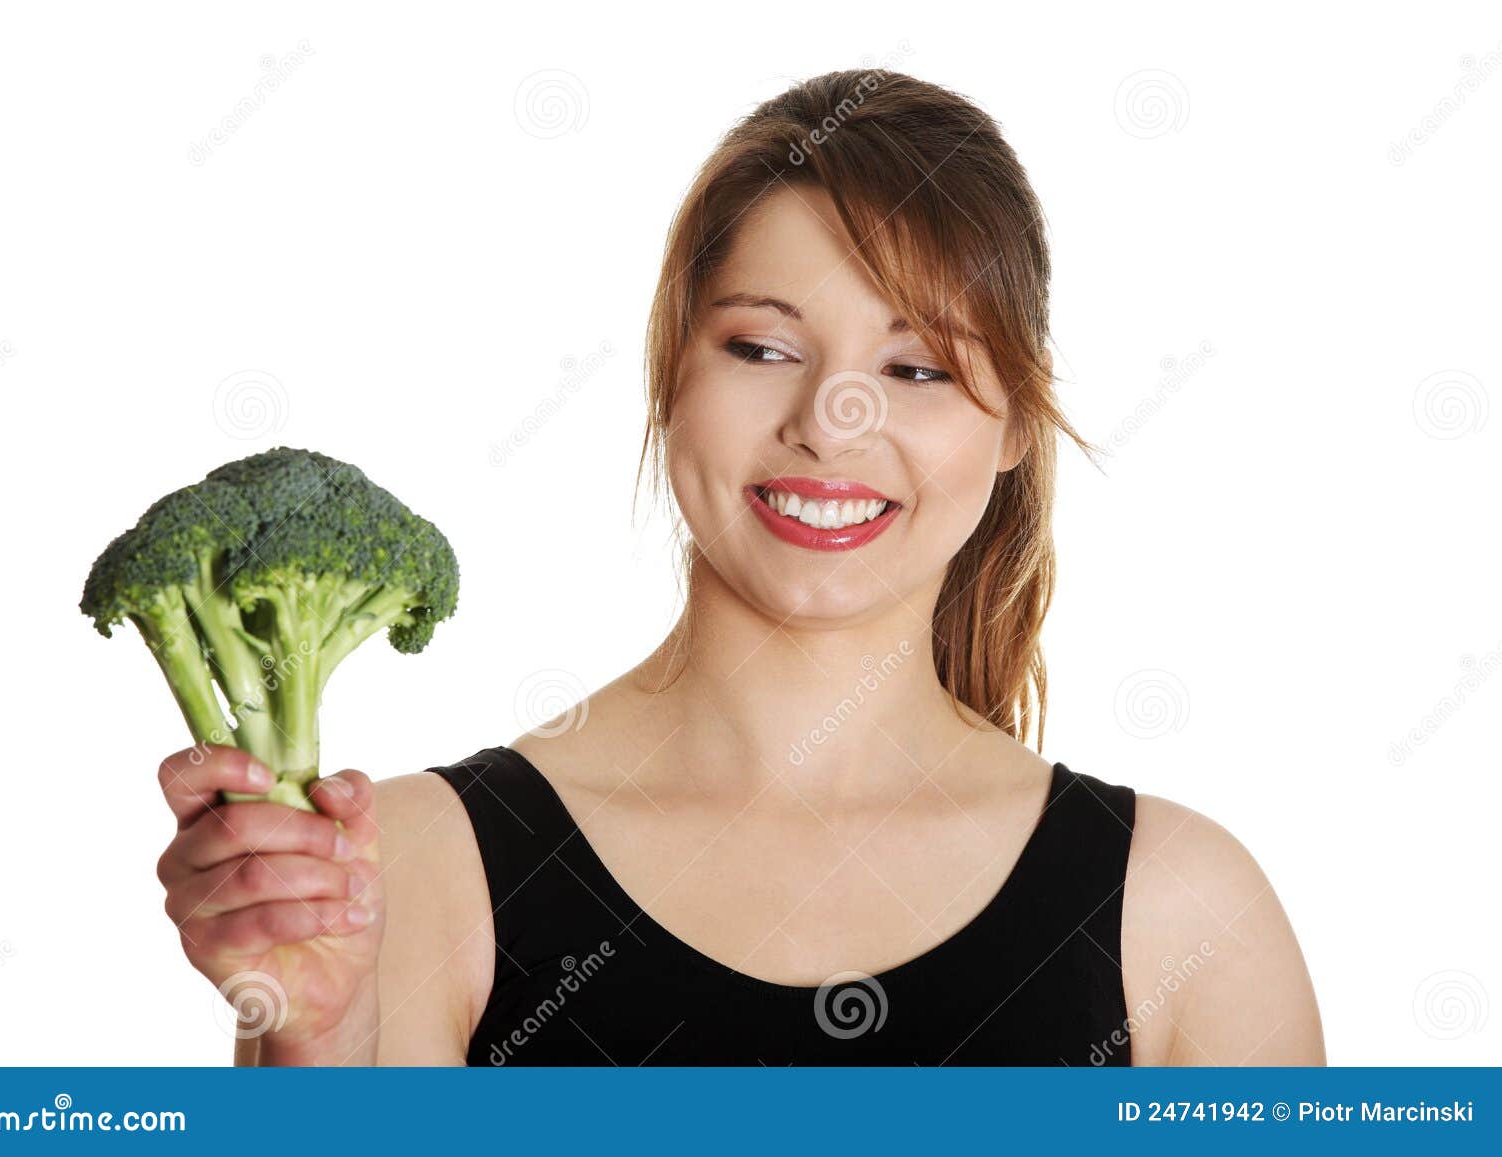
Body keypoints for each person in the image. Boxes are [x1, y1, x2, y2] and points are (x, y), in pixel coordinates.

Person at [154, 69, 1325, 1066]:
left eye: (916, 369)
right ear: (672, 377)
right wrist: (311, 1046)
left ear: (1014, 422)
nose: (833, 417)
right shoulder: (412, 866)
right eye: (762, 346)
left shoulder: (1183, 912)